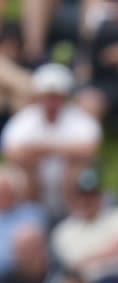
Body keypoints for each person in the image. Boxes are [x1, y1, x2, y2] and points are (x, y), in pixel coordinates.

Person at [0, 63, 102, 217]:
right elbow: (12, 152)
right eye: (48, 96)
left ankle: (74, 217)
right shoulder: (25, 119)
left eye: (56, 96)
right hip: (34, 186)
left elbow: (89, 149)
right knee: (17, 172)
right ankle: (29, 218)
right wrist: (61, 150)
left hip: (68, 184)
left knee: (76, 169)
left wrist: (38, 150)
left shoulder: (78, 118)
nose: (51, 102)